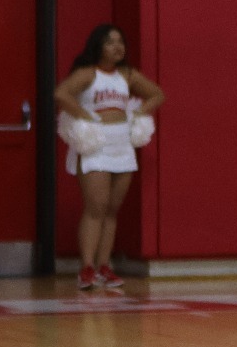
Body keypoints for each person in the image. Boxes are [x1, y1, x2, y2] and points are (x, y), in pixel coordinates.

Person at [54, 24, 164, 290]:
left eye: (120, 42)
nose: (118, 47)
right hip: (95, 144)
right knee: (95, 208)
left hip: (122, 144)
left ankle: (105, 266)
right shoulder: (88, 73)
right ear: (98, 46)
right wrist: (84, 116)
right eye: (110, 42)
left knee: (112, 210)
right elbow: (61, 94)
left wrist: (138, 113)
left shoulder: (126, 74)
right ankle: (87, 268)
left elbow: (157, 94)